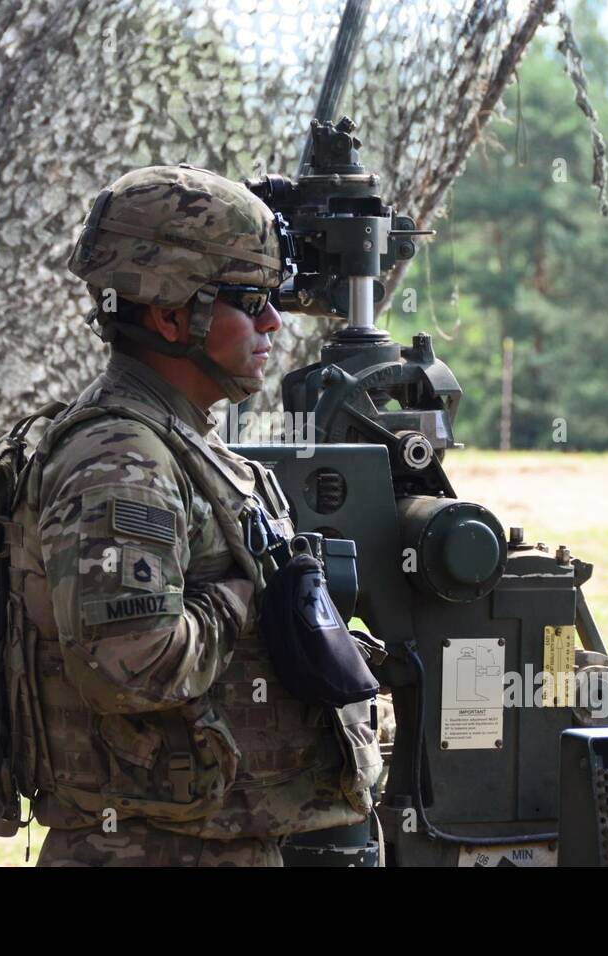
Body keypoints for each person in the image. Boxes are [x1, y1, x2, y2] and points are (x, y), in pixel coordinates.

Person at [20, 164, 381, 866]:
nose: (274, 322)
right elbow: (134, 667)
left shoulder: (180, 438)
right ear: (167, 313)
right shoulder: (120, 458)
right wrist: (248, 599)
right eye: (251, 301)